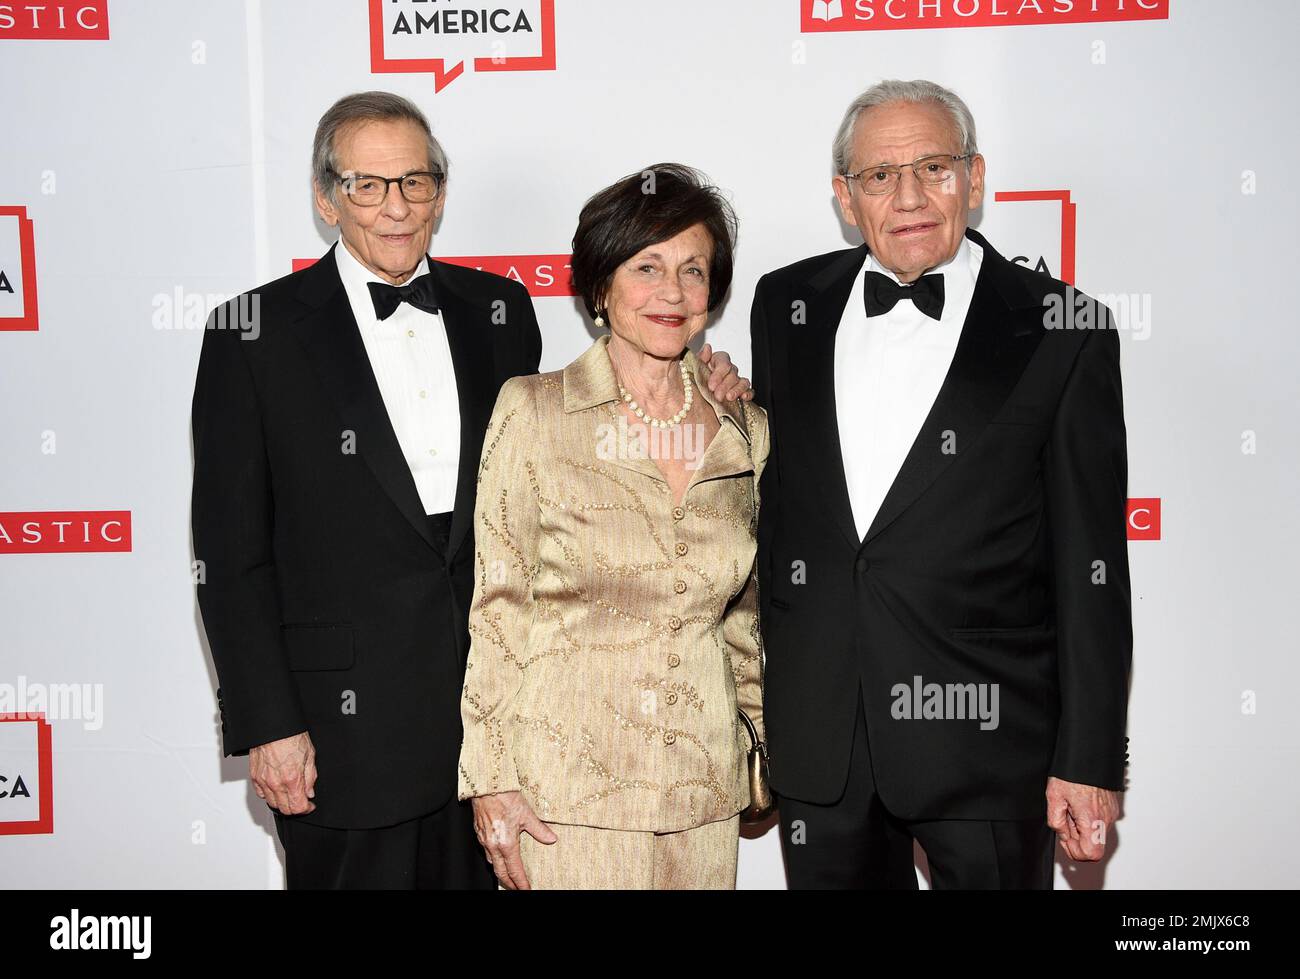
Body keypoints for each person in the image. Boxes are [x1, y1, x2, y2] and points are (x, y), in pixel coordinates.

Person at [191, 94, 751, 890]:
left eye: (416, 182)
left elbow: (556, 460)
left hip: (509, 733)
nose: (397, 207)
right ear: (325, 198)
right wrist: (270, 725)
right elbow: (230, 550)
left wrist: (708, 376)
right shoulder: (250, 332)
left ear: (441, 193)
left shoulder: (498, 310)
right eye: (368, 185)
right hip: (345, 730)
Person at [751, 80, 1131, 889]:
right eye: (880, 176)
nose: (911, 196)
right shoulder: (785, 304)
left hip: (987, 746)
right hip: (823, 741)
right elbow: (782, 509)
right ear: (845, 198)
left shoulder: (1065, 328)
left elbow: (1093, 570)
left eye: (934, 166)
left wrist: (1089, 760)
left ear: (977, 177)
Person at [457, 163, 768, 890]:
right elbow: (497, 606)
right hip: (564, 796)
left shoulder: (743, 429)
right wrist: (491, 778)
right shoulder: (534, 411)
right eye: (647, 266)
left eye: (695, 270)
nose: (673, 291)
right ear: (601, 287)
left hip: (703, 792)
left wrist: (757, 752)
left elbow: (744, 619)